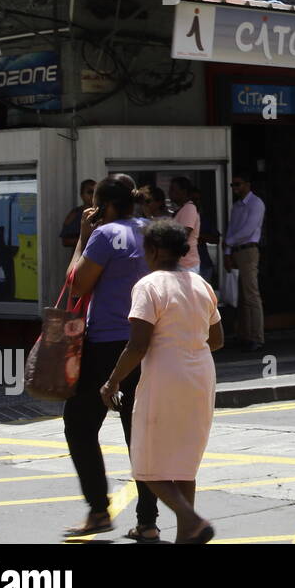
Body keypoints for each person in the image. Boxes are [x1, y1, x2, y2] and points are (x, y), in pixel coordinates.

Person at [101, 218, 223, 544]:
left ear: (153, 250)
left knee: (145, 464)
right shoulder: (201, 285)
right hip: (201, 375)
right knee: (185, 463)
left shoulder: (149, 285)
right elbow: (217, 339)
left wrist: (112, 381)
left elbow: (137, 344)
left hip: (165, 378)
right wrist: (187, 345)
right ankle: (187, 535)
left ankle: (191, 519)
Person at [61, 175, 160, 542]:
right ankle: (147, 521)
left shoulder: (104, 236)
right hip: (149, 344)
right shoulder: (154, 231)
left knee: (80, 425)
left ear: (103, 206)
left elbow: (76, 285)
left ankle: (99, 511)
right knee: (141, 435)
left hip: (106, 347)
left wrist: (84, 239)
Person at [225, 171, 266, 351]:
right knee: (241, 296)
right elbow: (232, 229)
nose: (235, 188)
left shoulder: (256, 203)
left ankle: (257, 337)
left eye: (238, 184)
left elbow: (248, 230)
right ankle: (244, 335)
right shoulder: (236, 206)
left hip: (248, 250)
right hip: (236, 250)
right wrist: (227, 252)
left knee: (251, 294)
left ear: (247, 184)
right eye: (233, 185)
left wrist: (228, 243)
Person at [168, 176, 201, 277]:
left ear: (183, 191)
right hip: (181, 263)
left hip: (186, 264)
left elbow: (184, 235)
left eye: (173, 189)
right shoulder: (182, 209)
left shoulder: (189, 208)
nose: (169, 192)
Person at [58, 179, 97, 249]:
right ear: (82, 195)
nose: (93, 195)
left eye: (96, 192)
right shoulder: (75, 214)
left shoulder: (105, 212)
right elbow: (65, 241)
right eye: (90, 192)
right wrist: (88, 240)